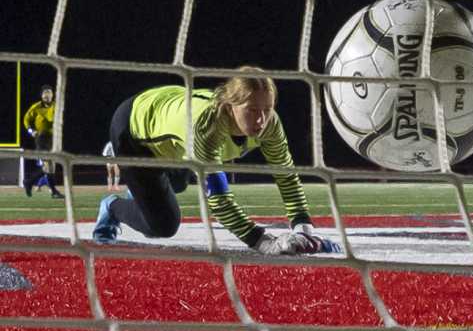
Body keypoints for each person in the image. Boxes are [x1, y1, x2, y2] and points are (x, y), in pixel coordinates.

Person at [93, 69, 336, 255]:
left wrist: (304, 229)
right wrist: (264, 242)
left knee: (176, 185)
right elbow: (220, 202)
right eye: (251, 110)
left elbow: (285, 174)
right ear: (230, 107)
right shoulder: (207, 128)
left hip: (173, 129)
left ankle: (148, 188)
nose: (261, 119)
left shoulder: (270, 123)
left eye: (268, 108)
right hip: (134, 130)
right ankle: (112, 206)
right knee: (163, 225)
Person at [22, 86, 58, 196]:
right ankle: (30, 183)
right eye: (45, 93)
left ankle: (29, 182)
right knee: (48, 164)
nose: (47, 95)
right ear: (41, 95)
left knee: (50, 166)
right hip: (41, 138)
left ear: (52, 95)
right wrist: (30, 131)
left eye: (49, 92)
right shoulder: (36, 107)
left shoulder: (56, 105)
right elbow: (26, 119)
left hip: (52, 138)